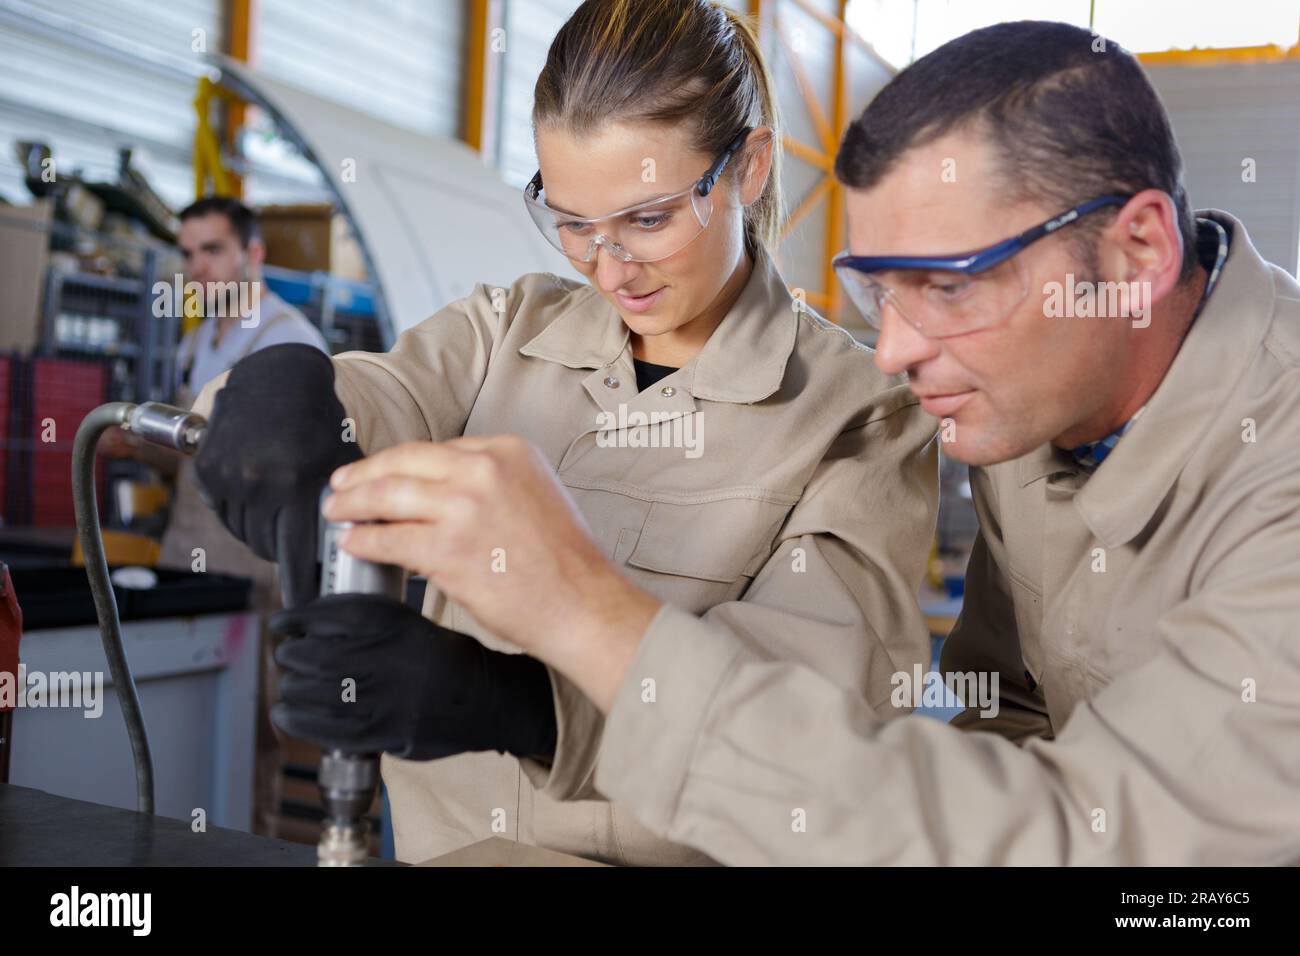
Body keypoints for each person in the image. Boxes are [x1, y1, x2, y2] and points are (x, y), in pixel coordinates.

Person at [259, 20, 1300, 865]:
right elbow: (1010, 713)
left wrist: (562, 647)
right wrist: (282, 388)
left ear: (1139, 248)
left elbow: (1083, 831)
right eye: (879, 288)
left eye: (945, 286)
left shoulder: (1268, 464)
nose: (890, 348)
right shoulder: (1036, 405)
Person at [192, 0, 939, 866]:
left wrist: (518, 704)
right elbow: (364, 400)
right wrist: (273, 392)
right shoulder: (506, 331)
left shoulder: (858, 412)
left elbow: (813, 737)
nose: (608, 267)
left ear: (751, 167)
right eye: (574, 223)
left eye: (648, 219)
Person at [109, 196, 327, 837]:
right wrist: (143, 449)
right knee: (182, 713)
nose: (196, 268)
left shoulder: (289, 342)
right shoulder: (197, 341)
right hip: (187, 555)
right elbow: (195, 462)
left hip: (253, 562)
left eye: (212, 250)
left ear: (252, 254)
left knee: (248, 722)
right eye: (186, 253)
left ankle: (247, 845)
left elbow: (301, 468)